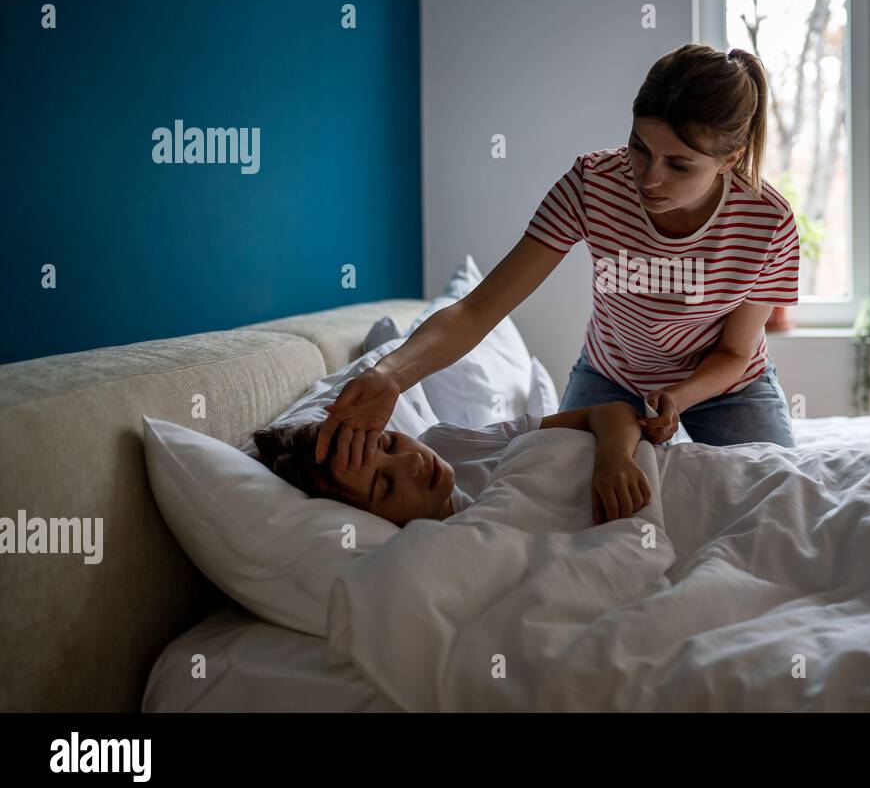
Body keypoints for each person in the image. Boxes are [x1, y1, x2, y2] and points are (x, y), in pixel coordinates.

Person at [317, 43, 800, 476]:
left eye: (678, 165)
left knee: (775, 492)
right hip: (613, 374)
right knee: (553, 490)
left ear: (730, 159)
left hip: (727, 384)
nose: (648, 178)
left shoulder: (768, 221)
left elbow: (736, 353)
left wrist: (679, 398)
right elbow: (475, 310)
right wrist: (389, 376)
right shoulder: (594, 184)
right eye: (639, 147)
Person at [257, 402, 651, 527]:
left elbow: (610, 412)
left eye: (390, 443)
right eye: (387, 485)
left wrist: (613, 457)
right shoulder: (438, 550)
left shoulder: (445, 443)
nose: (412, 461)